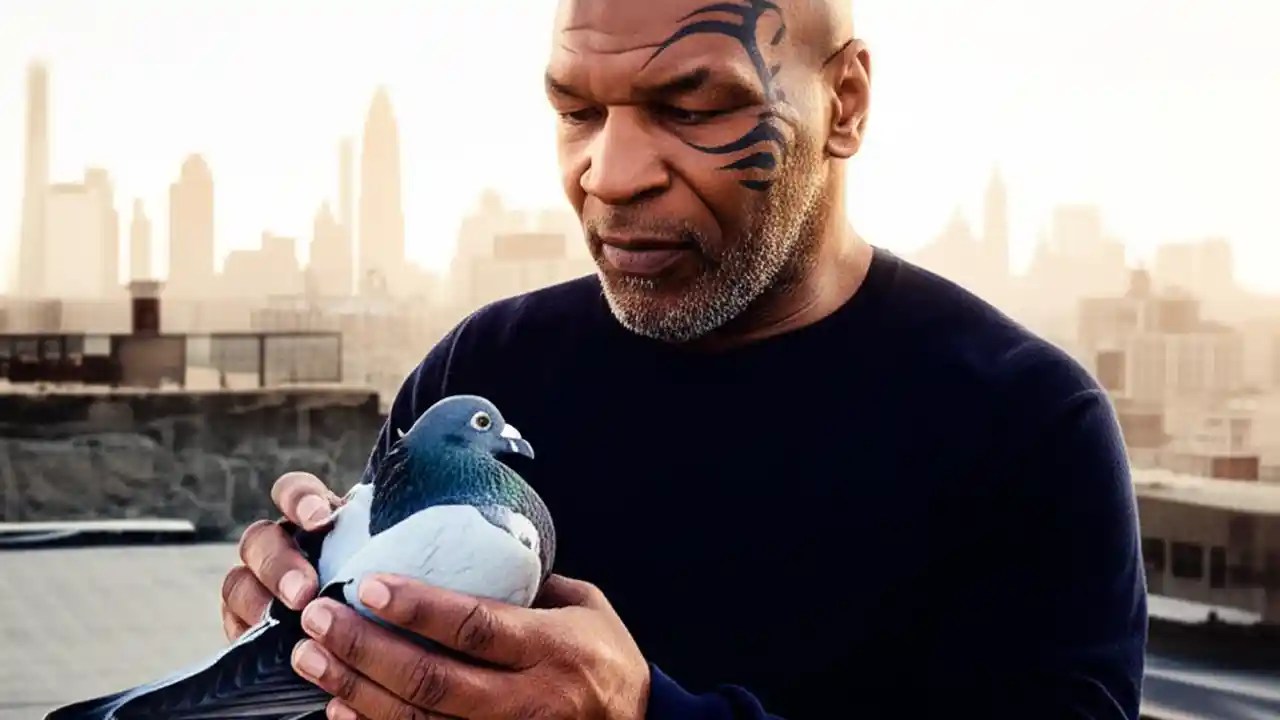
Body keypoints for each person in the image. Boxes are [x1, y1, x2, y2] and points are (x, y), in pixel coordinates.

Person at [220, 0, 1148, 717]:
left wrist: (642, 713)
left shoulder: (1028, 429)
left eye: (694, 107)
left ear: (846, 103)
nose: (611, 174)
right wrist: (308, 630)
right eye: (578, 111)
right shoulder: (481, 373)